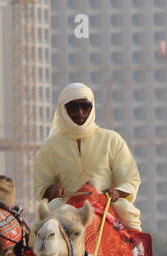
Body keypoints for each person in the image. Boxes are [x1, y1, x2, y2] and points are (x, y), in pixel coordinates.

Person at [32, 82, 141, 229]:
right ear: (63, 110)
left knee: (129, 215)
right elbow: (40, 185)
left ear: (92, 107)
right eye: (72, 107)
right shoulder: (49, 147)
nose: (80, 112)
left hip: (106, 201)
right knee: (39, 230)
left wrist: (118, 192)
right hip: (66, 204)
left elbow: (130, 178)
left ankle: (139, 252)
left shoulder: (111, 139)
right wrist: (51, 191)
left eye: (85, 106)